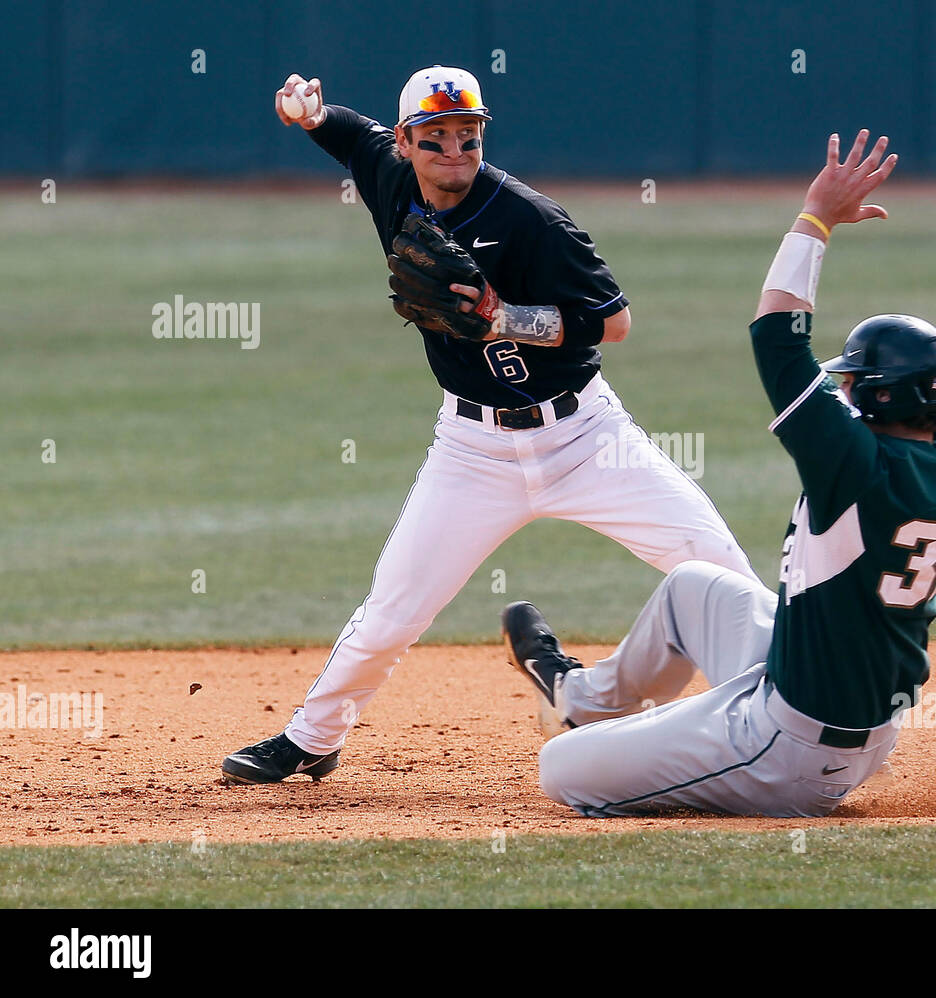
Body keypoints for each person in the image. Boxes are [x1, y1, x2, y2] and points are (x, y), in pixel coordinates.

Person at [221, 66, 755, 785]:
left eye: (467, 135)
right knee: (393, 608)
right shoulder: (390, 174)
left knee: (719, 569)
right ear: (407, 142)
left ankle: (782, 714)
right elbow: (352, 137)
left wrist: (502, 319)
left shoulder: (532, 219)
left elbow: (616, 323)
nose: (454, 149)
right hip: (471, 448)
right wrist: (312, 116)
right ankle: (312, 738)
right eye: (436, 137)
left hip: (586, 439)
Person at [501, 130, 936, 817]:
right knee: (693, 587)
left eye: (851, 382)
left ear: (874, 397)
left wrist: (815, 216)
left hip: (790, 748)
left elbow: (776, 337)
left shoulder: (854, 463)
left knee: (563, 774)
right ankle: (579, 703)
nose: (838, 391)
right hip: (850, 716)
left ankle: (650, 750)